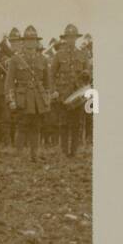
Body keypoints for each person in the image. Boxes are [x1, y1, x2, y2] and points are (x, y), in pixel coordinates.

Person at [4, 25, 52, 161]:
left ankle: (34, 155)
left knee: (36, 126)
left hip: (38, 98)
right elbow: (9, 82)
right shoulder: (15, 59)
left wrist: (47, 98)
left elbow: (47, 82)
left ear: (37, 42)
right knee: (22, 126)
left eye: (33, 40)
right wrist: (11, 100)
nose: (31, 43)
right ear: (23, 42)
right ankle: (19, 155)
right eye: (28, 40)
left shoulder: (43, 59)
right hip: (22, 97)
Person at [50, 23, 92, 157]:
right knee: (63, 123)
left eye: (73, 37)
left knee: (76, 123)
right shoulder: (58, 55)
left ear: (76, 38)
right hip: (63, 94)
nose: (70, 40)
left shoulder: (83, 54)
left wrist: (86, 74)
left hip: (78, 95)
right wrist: (54, 90)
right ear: (65, 38)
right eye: (68, 37)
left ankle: (73, 151)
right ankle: (63, 151)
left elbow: (88, 75)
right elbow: (51, 75)